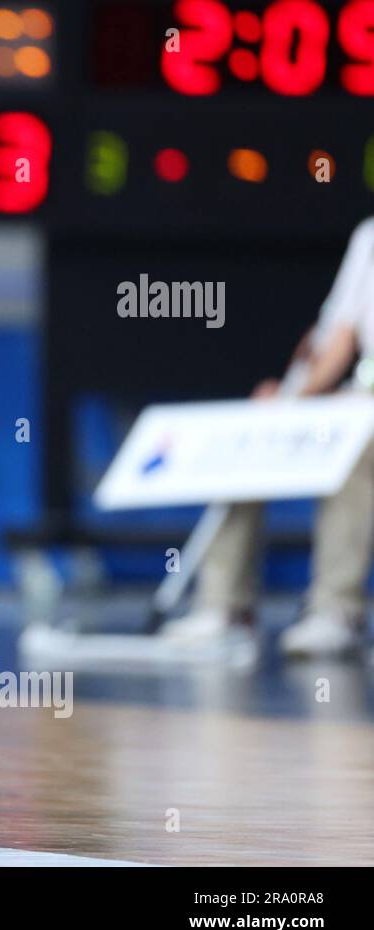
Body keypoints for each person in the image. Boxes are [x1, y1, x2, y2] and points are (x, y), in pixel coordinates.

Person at [160, 216, 374, 657]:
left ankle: (337, 612)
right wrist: (293, 398)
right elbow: (338, 336)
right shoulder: (368, 237)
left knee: (357, 446)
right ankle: (226, 608)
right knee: (252, 432)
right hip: (359, 397)